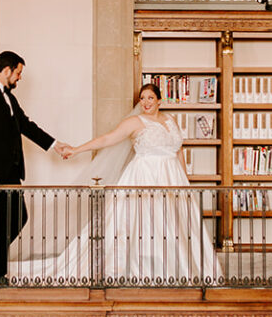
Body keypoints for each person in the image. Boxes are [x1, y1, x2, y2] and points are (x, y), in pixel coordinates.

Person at [48, 83, 221, 281]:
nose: (145, 102)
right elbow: (107, 139)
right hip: (145, 175)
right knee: (144, 223)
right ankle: (144, 270)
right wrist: (77, 149)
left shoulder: (170, 120)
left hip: (172, 177)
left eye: (150, 98)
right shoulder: (134, 122)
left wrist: (184, 182)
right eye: (142, 98)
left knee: (174, 225)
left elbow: (178, 150)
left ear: (159, 101)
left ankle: (174, 270)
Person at [0, 50, 67, 285]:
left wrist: (54, 145)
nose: (19, 78)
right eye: (18, 73)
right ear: (7, 70)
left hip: (10, 172)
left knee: (17, 218)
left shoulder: (9, 97)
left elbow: (26, 126)